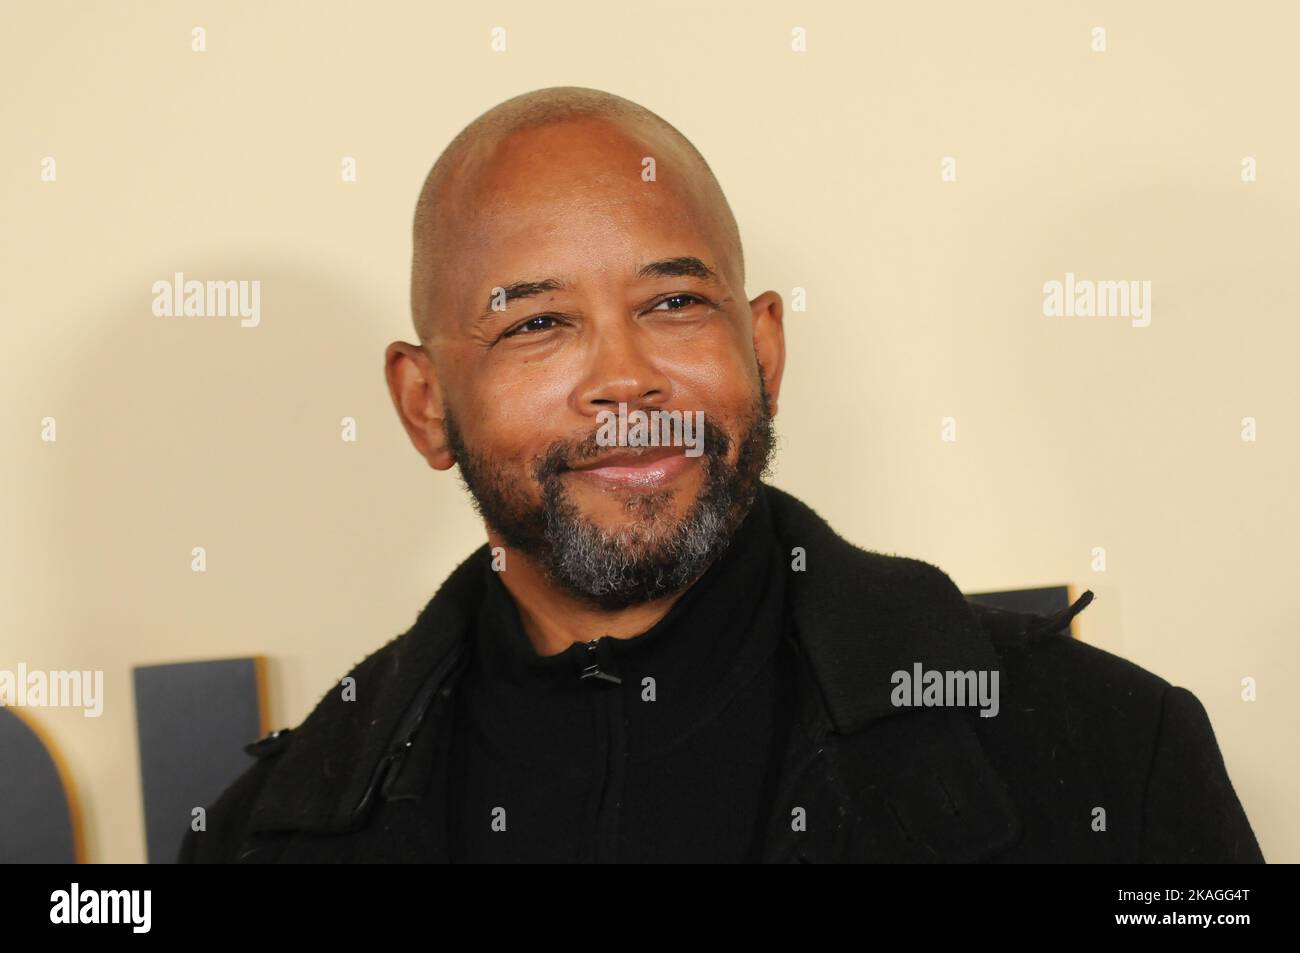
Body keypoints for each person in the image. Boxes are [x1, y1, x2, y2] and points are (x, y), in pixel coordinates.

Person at [178, 86, 1263, 863]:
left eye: (672, 304)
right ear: (425, 404)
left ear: (765, 352)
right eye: (539, 322)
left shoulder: (1104, 751)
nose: (625, 377)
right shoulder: (266, 828)